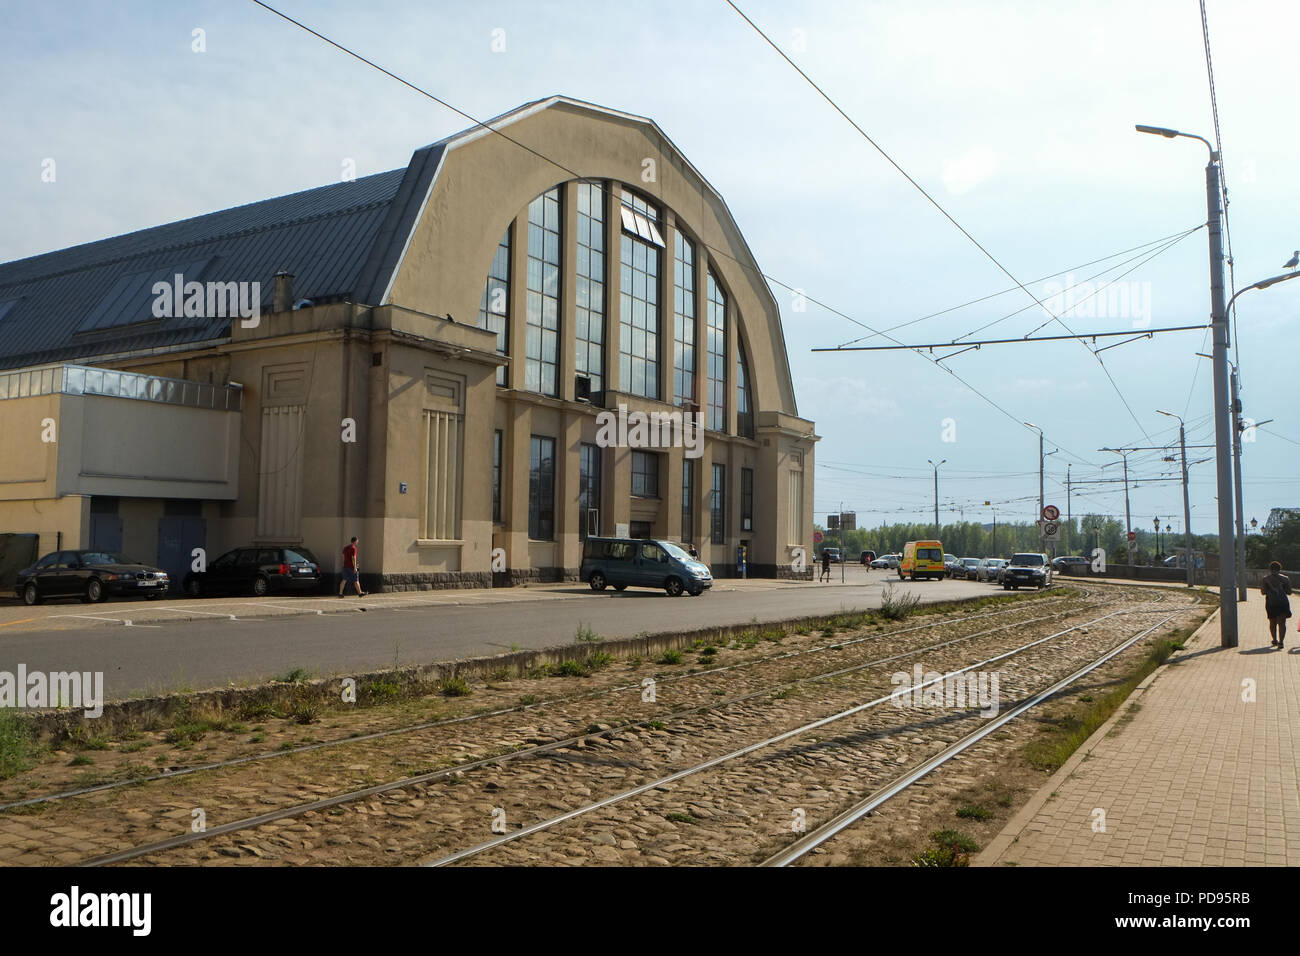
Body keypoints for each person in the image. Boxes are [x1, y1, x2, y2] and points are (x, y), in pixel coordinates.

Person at [1260, 561, 1291, 648]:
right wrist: (1281, 589)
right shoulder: (1286, 579)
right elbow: (1289, 592)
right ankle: (1281, 642)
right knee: (1282, 623)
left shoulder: (1265, 579)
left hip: (1271, 603)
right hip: (1283, 603)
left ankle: (1274, 640)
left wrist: (1271, 589)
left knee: (1272, 622)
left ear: (1270, 569)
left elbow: (1263, 592)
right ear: (1280, 569)